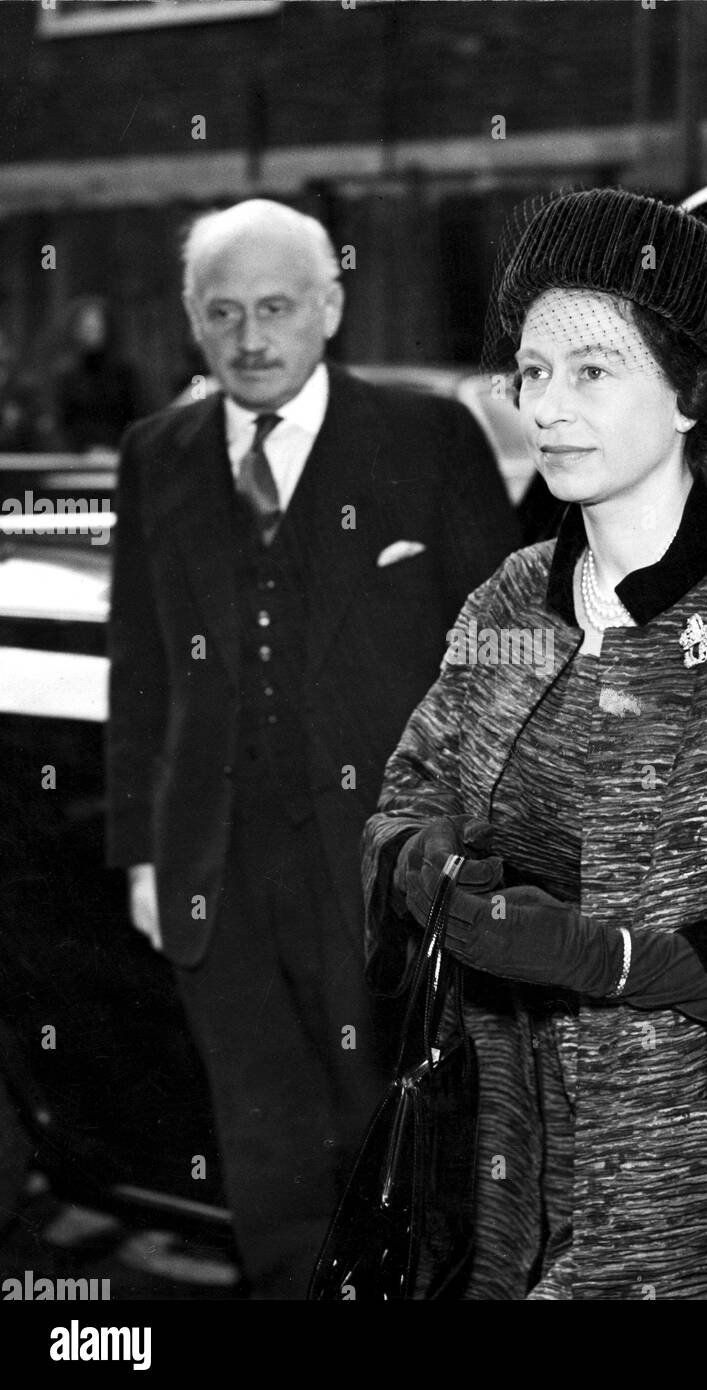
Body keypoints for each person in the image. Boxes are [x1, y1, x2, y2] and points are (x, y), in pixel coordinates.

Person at [362, 188, 707, 1300]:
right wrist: (432, 869)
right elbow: (408, 791)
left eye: (592, 370)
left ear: (690, 396)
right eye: (530, 371)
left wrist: (608, 956)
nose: (547, 407)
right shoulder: (513, 603)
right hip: (521, 1166)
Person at [105, 197, 521, 1298]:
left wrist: (484, 849)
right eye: (223, 311)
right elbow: (138, 669)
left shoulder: (427, 440)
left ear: (329, 306)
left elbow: (503, 655)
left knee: (397, 1143)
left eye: (277, 307)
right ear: (192, 321)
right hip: (217, 866)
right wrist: (144, 855)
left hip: (386, 862)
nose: (250, 336)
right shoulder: (157, 455)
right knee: (267, 1151)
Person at [53, 296, 142, 451]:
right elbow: (64, 423)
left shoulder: (125, 373)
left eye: (96, 327)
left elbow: (135, 417)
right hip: (78, 459)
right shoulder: (67, 376)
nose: (91, 332)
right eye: (86, 327)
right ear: (76, 330)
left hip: (117, 455)